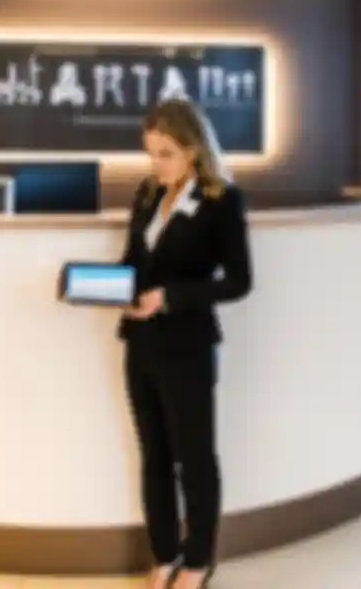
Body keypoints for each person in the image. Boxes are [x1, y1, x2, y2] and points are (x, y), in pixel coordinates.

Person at [117, 99, 253, 589]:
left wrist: (170, 297)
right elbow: (133, 257)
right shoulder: (148, 193)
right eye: (152, 154)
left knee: (193, 458)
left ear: (194, 150)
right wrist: (117, 290)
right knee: (153, 454)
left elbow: (239, 282)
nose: (157, 165)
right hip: (140, 342)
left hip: (188, 346)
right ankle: (165, 552)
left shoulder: (223, 201)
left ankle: (198, 559)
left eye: (166, 154)